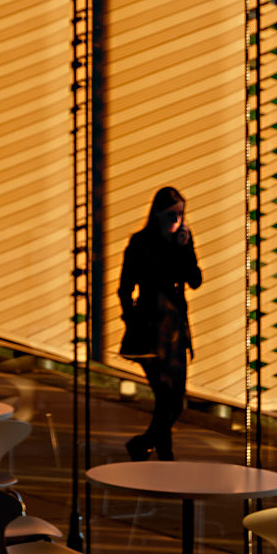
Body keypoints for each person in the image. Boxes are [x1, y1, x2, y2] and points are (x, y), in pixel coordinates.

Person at [117, 185, 203, 460]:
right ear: (156, 215)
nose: (176, 221)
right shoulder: (141, 243)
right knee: (166, 397)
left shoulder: (182, 241)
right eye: (170, 216)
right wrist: (131, 318)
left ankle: (146, 444)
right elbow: (125, 286)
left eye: (180, 215)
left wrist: (184, 248)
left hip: (175, 330)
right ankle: (163, 454)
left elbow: (195, 280)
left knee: (174, 399)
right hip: (150, 328)